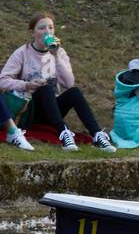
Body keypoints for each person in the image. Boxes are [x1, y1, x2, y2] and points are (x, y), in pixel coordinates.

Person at [0, 12, 116, 151]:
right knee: (45, 88)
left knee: (74, 92)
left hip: (54, 109)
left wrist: (56, 56)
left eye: (50, 27)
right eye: (41, 28)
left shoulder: (59, 53)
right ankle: (63, 133)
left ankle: (97, 134)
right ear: (33, 32)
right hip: (31, 110)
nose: (47, 31)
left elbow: (68, 83)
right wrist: (26, 85)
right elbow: (3, 80)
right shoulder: (22, 52)